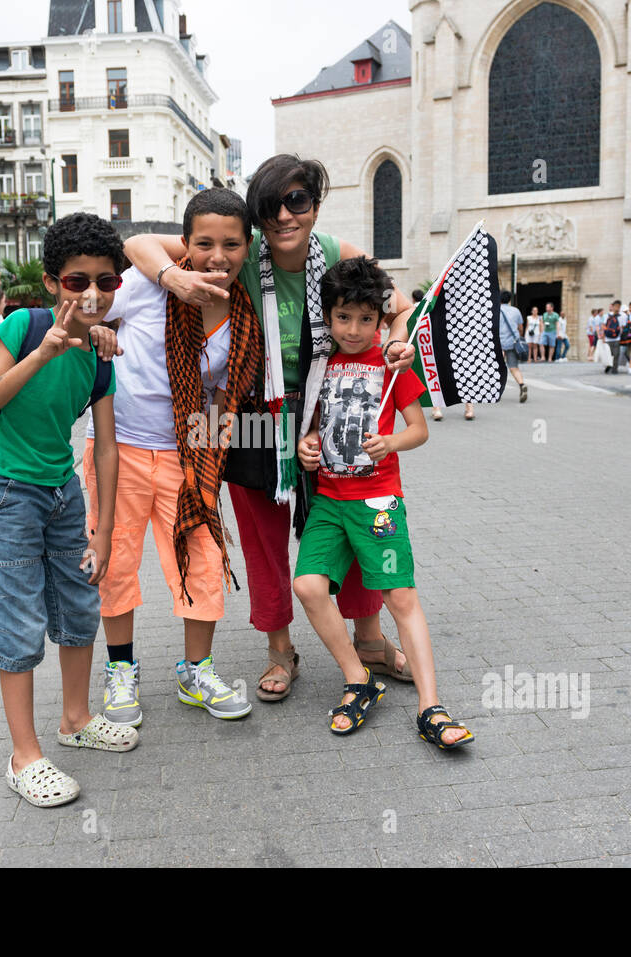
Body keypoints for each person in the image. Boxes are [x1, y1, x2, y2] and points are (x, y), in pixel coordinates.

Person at [122, 154, 418, 704]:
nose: (285, 215)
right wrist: (174, 277)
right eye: (271, 205)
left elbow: (400, 307)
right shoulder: (235, 250)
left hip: (330, 417)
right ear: (256, 215)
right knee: (263, 542)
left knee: (353, 525)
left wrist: (397, 337)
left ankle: (370, 639)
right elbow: (136, 243)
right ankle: (280, 648)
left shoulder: (336, 254)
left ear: (315, 206)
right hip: (255, 420)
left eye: (298, 201)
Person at [0, 212, 132, 809]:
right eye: (76, 280)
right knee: (18, 614)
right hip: (10, 489)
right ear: (50, 283)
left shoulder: (103, 351)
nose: (91, 293)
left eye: (105, 282)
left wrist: (105, 529)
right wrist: (42, 351)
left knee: (80, 602)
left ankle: (76, 718)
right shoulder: (21, 325)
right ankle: (24, 755)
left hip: (64, 491)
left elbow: (107, 444)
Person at [82, 188, 261, 727]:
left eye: (232, 243)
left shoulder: (246, 309)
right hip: (121, 449)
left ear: (248, 246)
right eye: (204, 243)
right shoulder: (149, 284)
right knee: (113, 558)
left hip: (190, 452)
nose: (217, 256)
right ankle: (120, 671)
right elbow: (98, 296)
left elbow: (225, 390)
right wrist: (95, 328)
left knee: (203, 559)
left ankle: (195, 669)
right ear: (185, 244)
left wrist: (215, 445)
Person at [292, 256, 473, 749]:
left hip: (378, 506)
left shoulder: (393, 365)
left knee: (401, 598)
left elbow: (418, 431)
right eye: (343, 317)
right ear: (328, 317)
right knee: (308, 586)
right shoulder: (318, 366)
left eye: (366, 319)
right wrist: (307, 446)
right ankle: (359, 678)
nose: (354, 329)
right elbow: (311, 427)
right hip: (329, 500)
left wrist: (392, 443)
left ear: (380, 319)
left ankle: (430, 706)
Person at [412, 289, 443, 421]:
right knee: (437, 375)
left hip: (421, 348)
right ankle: (469, 408)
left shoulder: (412, 309)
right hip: (435, 345)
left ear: (413, 298)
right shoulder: (431, 308)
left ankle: (437, 409)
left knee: (429, 376)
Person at [498, 290, 528, 402]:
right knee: (514, 367)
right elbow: (520, 328)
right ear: (509, 299)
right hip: (512, 343)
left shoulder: (495, 311)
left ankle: (497, 391)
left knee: (497, 368)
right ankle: (521, 384)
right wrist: (518, 336)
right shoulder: (516, 311)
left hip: (499, 343)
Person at [601, 300, 622, 374]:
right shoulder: (606, 316)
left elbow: (622, 327)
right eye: (616, 306)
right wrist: (603, 337)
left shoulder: (621, 316)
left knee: (616, 354)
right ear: (613, 307)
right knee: (609, 355)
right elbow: (603, 326)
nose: (617, 308)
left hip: (617, 338)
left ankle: (614, 369)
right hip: (608, 338)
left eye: (618, 306)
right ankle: (609, 366)